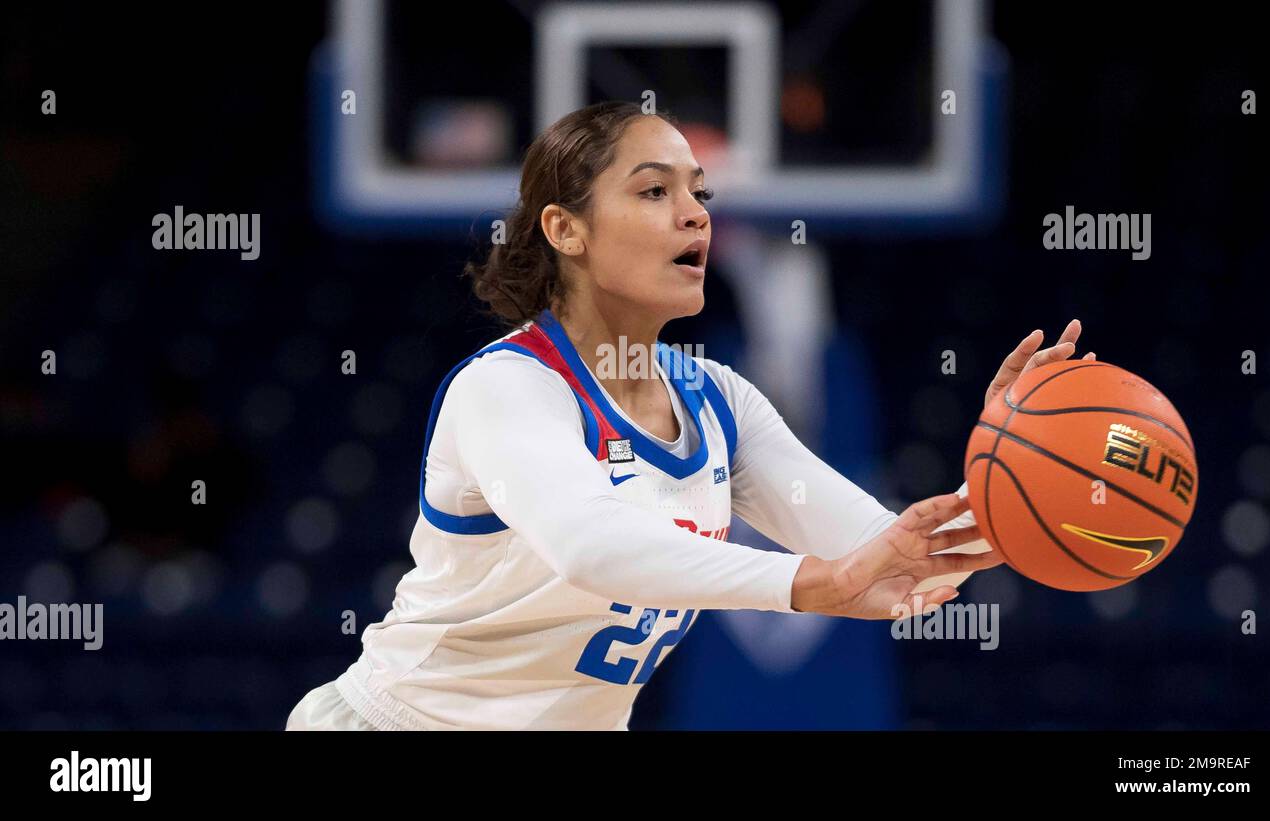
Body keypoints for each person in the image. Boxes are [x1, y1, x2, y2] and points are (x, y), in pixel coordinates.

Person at [286, 101, 1094, 731]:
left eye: (699, 194)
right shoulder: (507, 387)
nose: (697, 214)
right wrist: (815, 583)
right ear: (566, 229)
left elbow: (902, 562)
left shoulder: (721, 402)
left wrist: (1009, 472)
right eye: (655, 190)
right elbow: (592, 546)